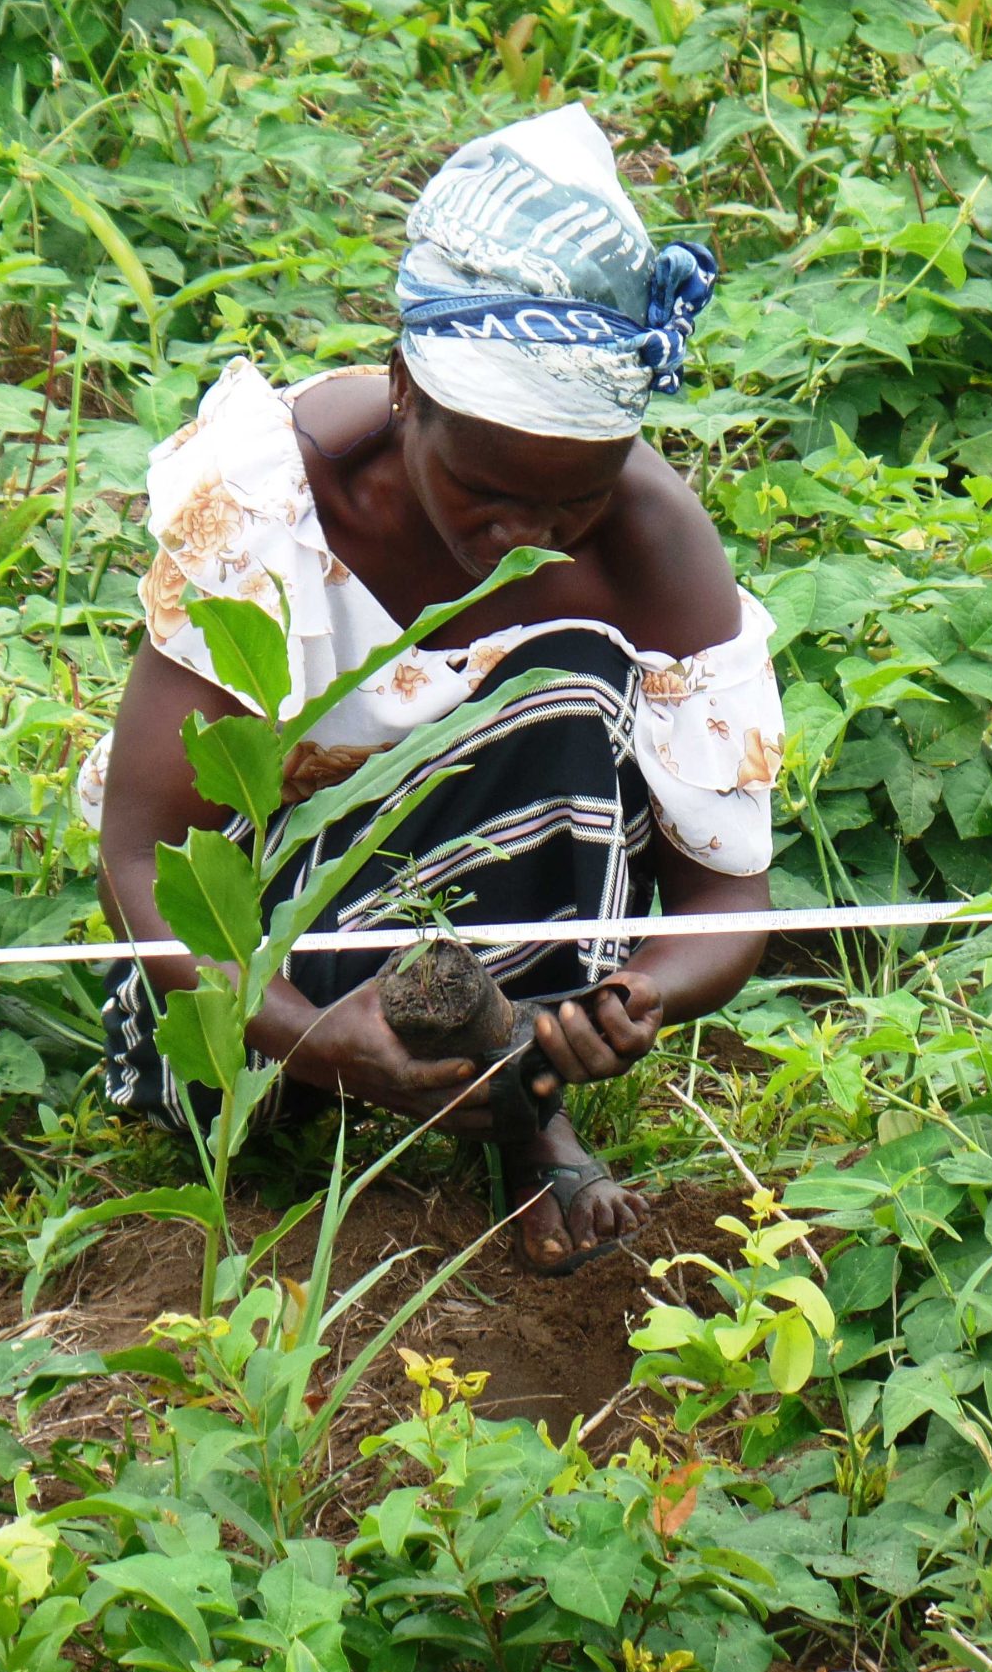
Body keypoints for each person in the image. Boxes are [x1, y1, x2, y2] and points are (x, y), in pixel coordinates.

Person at [80, 105, 782, 1274]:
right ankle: (368, 1098)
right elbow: (144, 862)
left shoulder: (650, 547)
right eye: (486, 489)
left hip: (513, 997)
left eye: (576, 501)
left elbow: (729, 895)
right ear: (405, 390)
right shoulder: (267, 504)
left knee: (564, 690)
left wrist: (638, 994)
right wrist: (310, 1040)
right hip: (250, 993)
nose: (530, 532)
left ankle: (522, 1114)